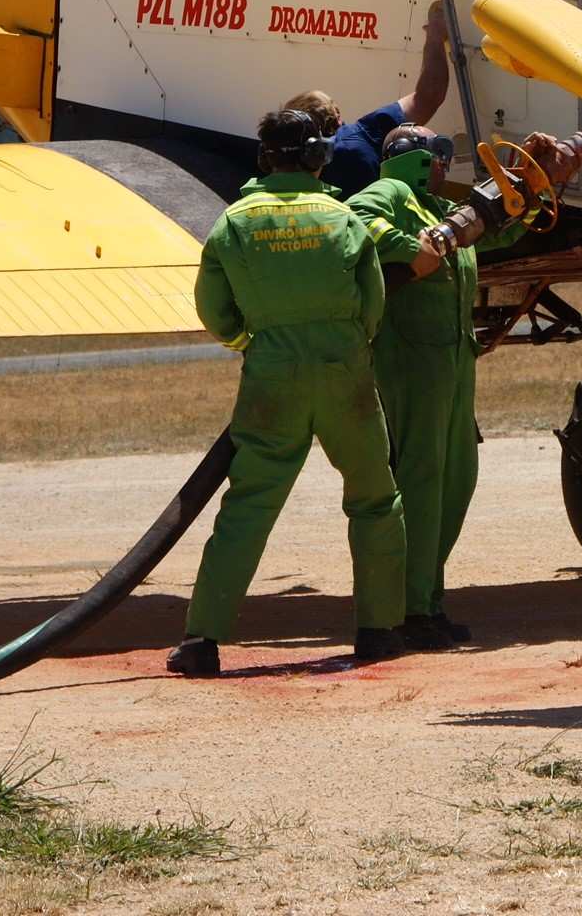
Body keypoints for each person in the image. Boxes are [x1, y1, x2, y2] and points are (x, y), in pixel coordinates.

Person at [167, 109, 409, 676]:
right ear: (319, 157)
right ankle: (379, 631)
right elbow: (372, 302)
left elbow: (215, 311)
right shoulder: (342, 217)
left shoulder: (233, 222)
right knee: (375, 496)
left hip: (271, 372)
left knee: (248, 504)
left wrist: (252, 341)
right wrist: (345, 340)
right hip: (344, 368)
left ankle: (202, 641)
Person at [346, 122, 556, 648]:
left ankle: (428, 599)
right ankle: (411, 610)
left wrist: (528, 188)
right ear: (414, 159)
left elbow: (502, 229)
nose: (446, 163)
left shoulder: (443, 213)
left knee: (454, 482)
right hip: (412, 362)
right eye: (439, 153)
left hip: (454, 366)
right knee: (420, 484)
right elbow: (358, 222)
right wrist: (408, 247)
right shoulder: (392, 193)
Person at [286, 2, 453, 199]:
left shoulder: (291, 167)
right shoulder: (364, 134)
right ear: (337, 117)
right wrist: (435, 33)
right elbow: (428, 96)